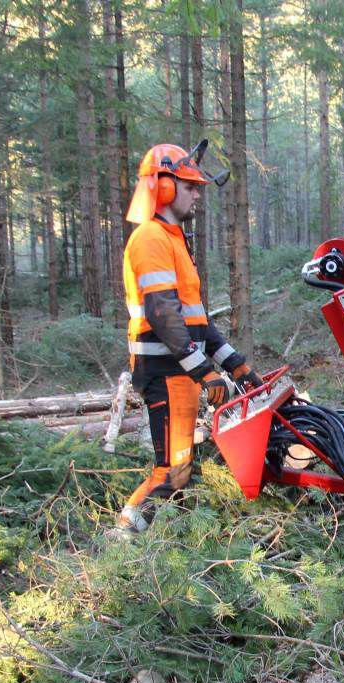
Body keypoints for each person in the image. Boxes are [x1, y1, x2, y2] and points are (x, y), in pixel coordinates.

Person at [112, 141, 256, 537]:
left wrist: (235, 364)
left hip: (180, 370)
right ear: (165, 187)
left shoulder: (174, 240)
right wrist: (203, 371)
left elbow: (196, 319)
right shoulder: (150, 239)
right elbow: (162, 314)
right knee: (172, 471)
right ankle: (123, 538)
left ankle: (164, 542)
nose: (197, 194)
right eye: (190, 187)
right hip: (165, 369)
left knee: (181, 466)